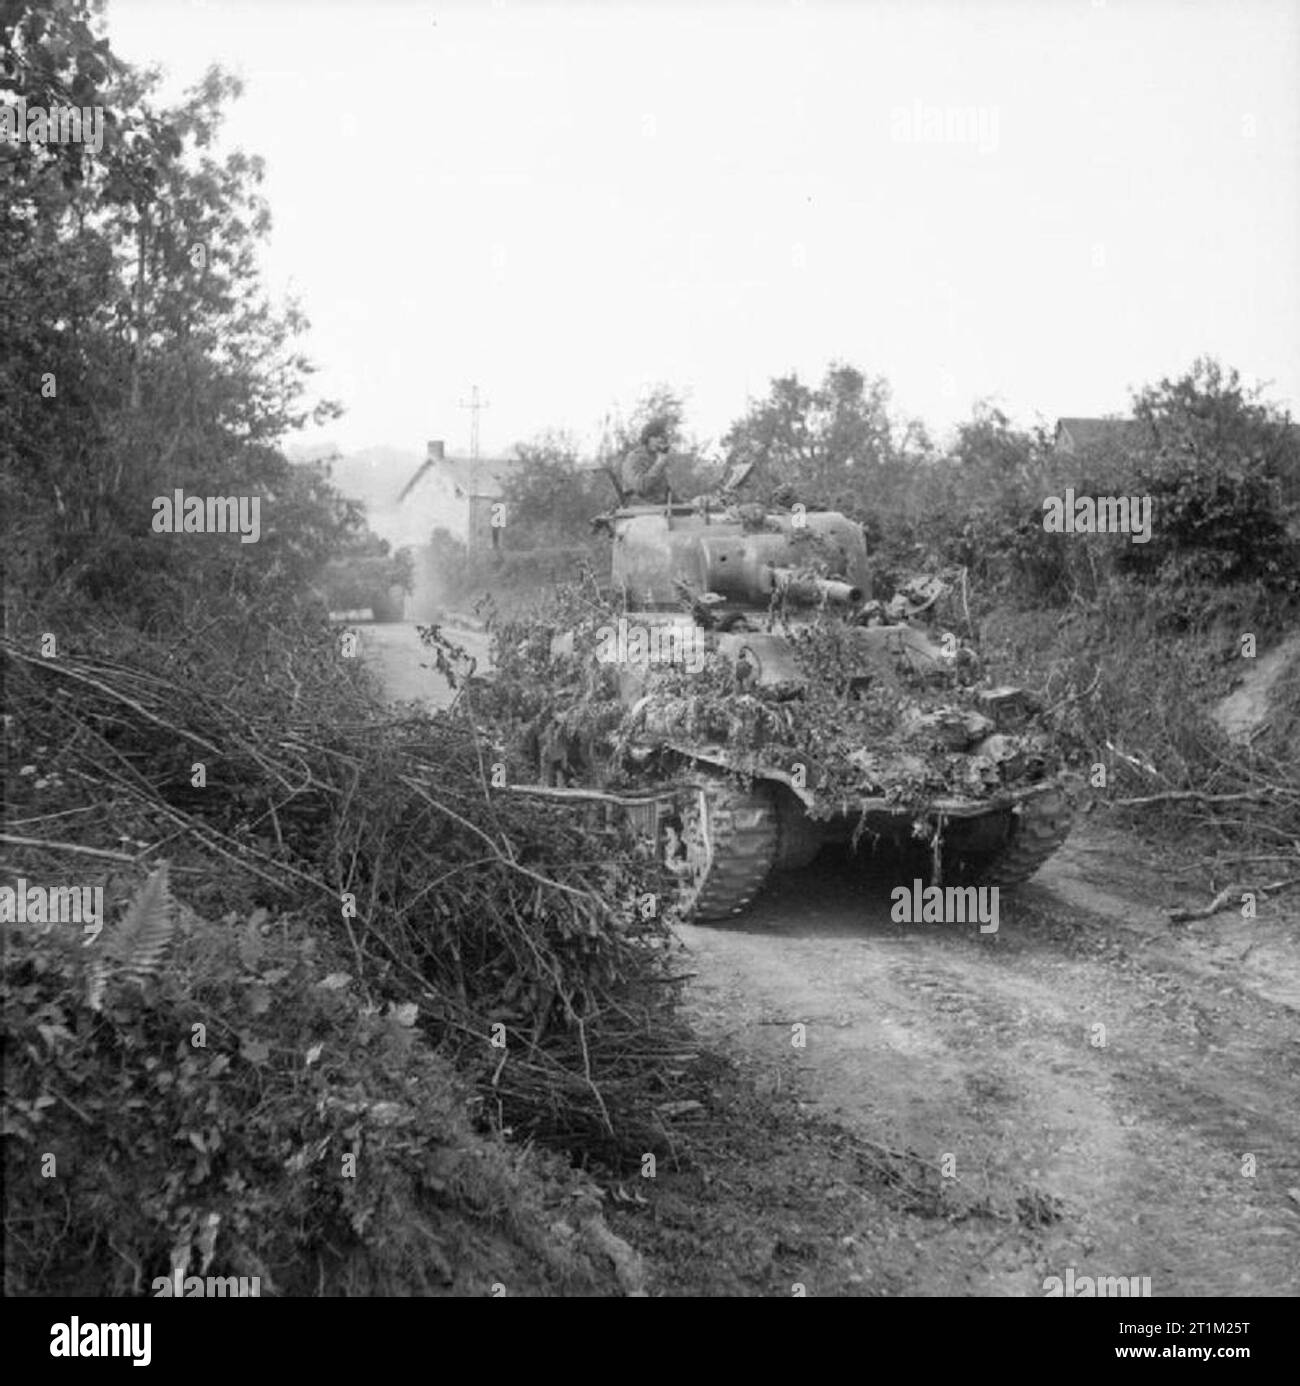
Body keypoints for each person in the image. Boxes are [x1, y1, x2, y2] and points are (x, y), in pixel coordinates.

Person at [618, 420, 673, 503]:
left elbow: (664, 491)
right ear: (647, 438)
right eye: (655, 437)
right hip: (638, 508)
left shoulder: (655, 457)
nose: (660, 440)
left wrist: (687, 505)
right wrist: (658, 464)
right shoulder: (634, 458)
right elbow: (640, 487)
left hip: (658, 508)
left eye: (662, 437)